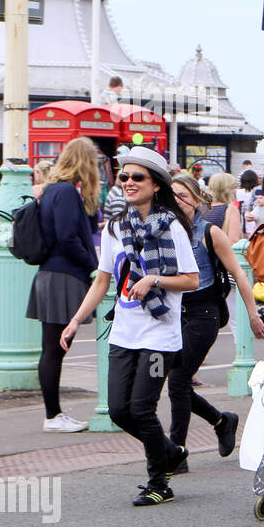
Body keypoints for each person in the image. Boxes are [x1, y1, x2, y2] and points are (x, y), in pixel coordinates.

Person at [60, 148, 199, 506]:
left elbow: (191, 280)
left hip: (159, 332)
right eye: (124, 177)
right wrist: (76, 321)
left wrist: (154, 278)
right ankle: (171, 451)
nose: (129, 183)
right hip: (123, 332)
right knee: (119, 409)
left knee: (141, 408)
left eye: (138, 177)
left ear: (156, 185)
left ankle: (159, 481)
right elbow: (101, 281)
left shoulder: (172, 227)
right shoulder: (115, 228)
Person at [167, 175, 264, 461]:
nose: (177, 200)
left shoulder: (210, 232)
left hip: (204, 313)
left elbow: (238, 273)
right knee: (179, 383)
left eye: (184, 195)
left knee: (178, 381)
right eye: (172, 195)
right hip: (174, 316)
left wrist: (252, 314)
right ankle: (222, 421)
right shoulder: (166, 232)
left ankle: (177, 452)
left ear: (197, 200)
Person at [26, 140, 102, 428]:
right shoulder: (67, 192)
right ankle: (53, 416)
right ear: (86, 162)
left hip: (50, 274)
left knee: (52, 348)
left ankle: (53, 414)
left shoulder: (53, 190)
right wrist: (93, 267)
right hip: (64, 275)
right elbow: (69, 238)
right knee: (55, 349)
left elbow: (83, 228)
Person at [205, 173, 243, 244]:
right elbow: (233, 240)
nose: (235, 190)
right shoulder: (230, 209)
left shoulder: (204, 208)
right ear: (228, 190)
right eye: (234, 187)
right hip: (222, 252)